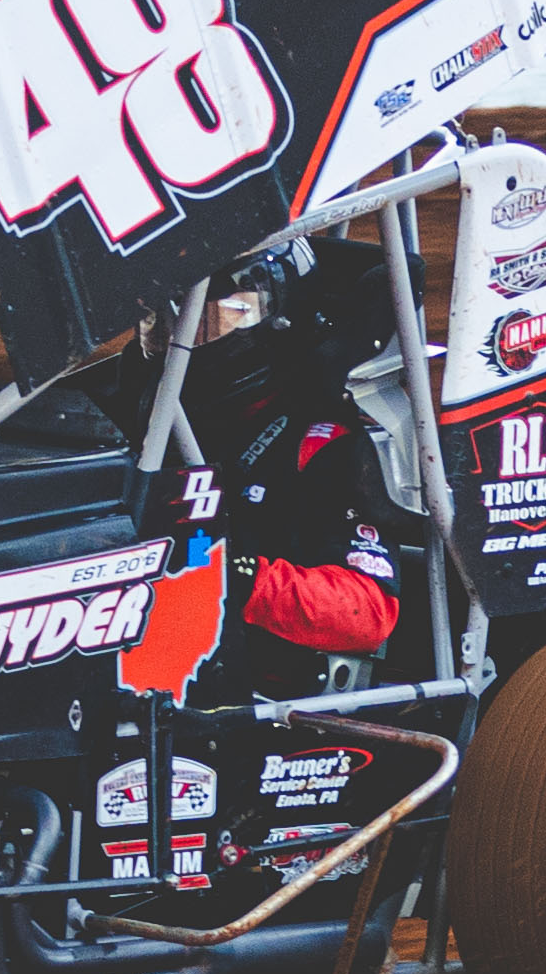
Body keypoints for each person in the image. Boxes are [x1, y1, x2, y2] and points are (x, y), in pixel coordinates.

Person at [173, 240, 420, 688]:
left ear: (275, 315)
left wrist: (241, 579)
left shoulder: (324, 442)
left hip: (272, 695)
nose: (192, 336)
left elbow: (368, 611)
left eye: (222, 315)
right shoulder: (163, 427)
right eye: (172, 321)